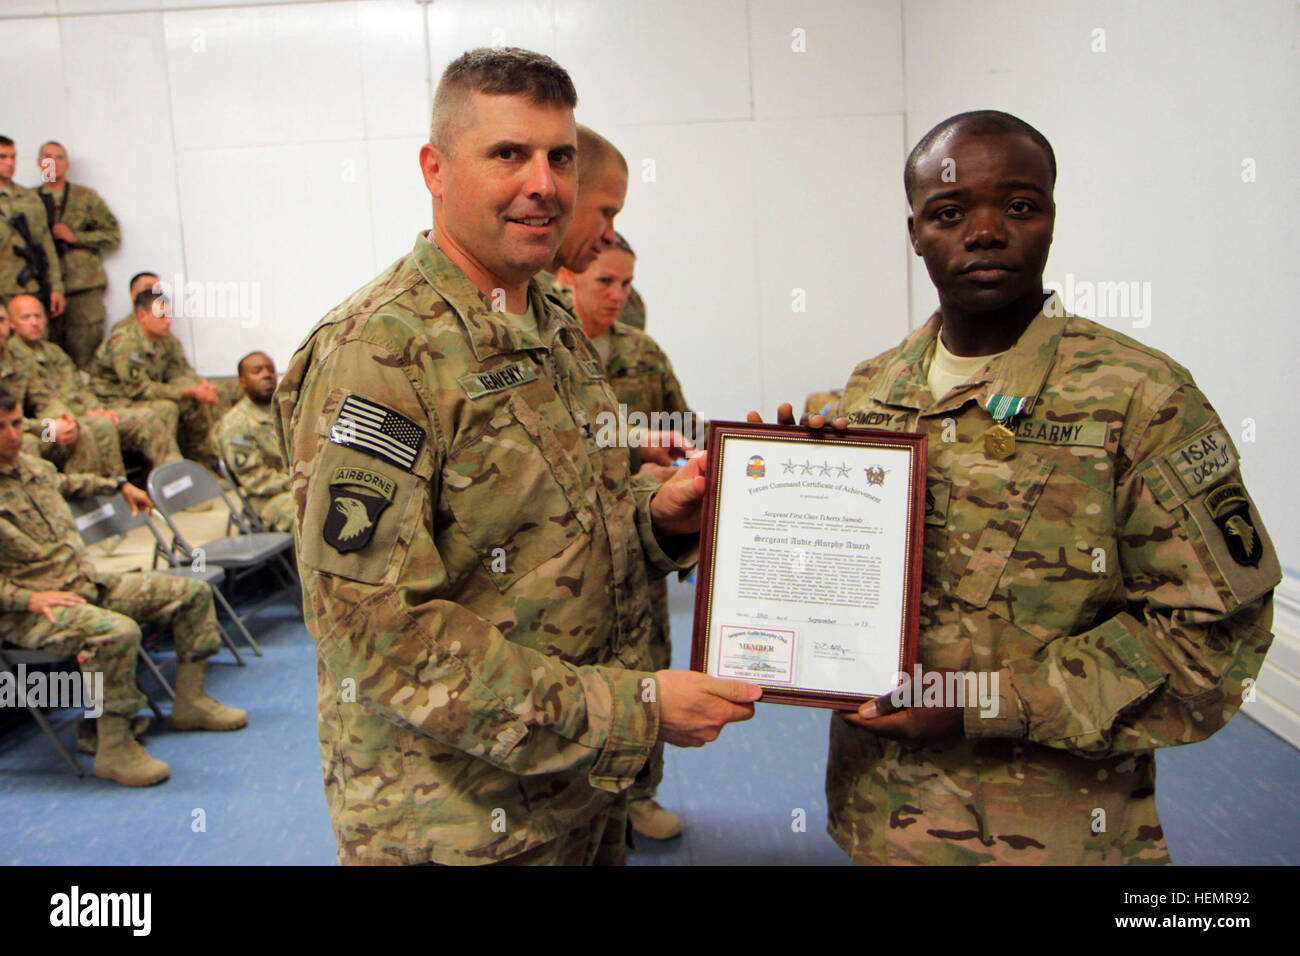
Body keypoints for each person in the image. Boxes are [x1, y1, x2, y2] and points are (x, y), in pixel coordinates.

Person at [276, 46, 761, 866]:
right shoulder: (381, 353)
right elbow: (376, 635)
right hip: (457, 820)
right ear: (435, 168)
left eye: (559, 156)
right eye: (509, 154)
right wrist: (632, 711)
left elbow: (561, 524)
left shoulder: (550, 321)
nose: (544, 183)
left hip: (577, 790)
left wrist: (659, 516)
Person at [761, 110, 1279, 865]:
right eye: (948, 212)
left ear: (1051, 219)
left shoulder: (1140, 396)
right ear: (914, 234)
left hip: (1052, 835)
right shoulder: (874, 390)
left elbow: (1209, 639)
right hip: (881, 815)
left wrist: (978, 703)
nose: (984, 232)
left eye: (1018, 206)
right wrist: (777, 498)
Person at [0, 387, 247, 787]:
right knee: (117, 632)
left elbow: (69, 483)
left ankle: (190, 702)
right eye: (1, 428)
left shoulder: (32, 467)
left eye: (15, 424)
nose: (12, 434)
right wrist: (28, 598)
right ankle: (112, 748)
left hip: (84, 583)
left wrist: (118, 485)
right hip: (31, 609)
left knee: (192, 593)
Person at [559, 234, 700, 838]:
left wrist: (665, 475)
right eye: (604, 282)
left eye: (626, 284)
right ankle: (584, 804)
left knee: (648, 667)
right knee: (575, 673)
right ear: (569, 280)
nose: (618, 295)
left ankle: (641, 795)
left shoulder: (645, 356)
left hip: (642, 545)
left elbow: (687, 433)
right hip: (568, 553)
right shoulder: (550, 355)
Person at [8, 292, 181, 470]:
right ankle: (116, 488)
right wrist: (85, 414)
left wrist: (97, 409)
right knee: (98, 427)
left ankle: (173, 478)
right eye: (26, 318)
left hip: (79, 415)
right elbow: (45, 401)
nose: (34, 323)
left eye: (38, 316)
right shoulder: (15, 357)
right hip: (47, 428)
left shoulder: (53, 352)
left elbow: (80, 387)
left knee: (149, 417)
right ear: (11, 323)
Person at [91, 288, 222, 468]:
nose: (168, 321)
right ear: (142, 316)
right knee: (167, 408)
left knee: (195, 400)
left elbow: (176, 370)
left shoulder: (163, 338)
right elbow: (139, 390)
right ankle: (165, 471)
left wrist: (200, 386)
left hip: (141, 395)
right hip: (116, 400)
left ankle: (205, 463)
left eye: (169, 315)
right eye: (162, 316)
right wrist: (191, 391)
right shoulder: (125, 342)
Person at [36, 141, 121, 369]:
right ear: (38, 163)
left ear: (67, 164)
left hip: (82, 290)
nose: (53, 163)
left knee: (87, 361)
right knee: (47, 363)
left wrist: (76, 237)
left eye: (59, 157)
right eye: (47, 157)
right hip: (41, 291)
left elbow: (113, 235)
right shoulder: (27, 201)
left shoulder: (85, 197)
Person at [214, 351, 294, 532]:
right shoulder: (236, 423)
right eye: (257, 371)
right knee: (314, 518)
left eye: (271, 370)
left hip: (297, 486)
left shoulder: (287, 409)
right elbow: (254, 478)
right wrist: (297, 483)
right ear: (243, 381)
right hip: (268, 498)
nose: (267, 375)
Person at [0, 136, 65, 321]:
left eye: (13, 157)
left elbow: (46, 244)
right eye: (3, 157)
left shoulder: (30, 198)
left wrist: (56, 287)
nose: (10, 163)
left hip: (33, 288)